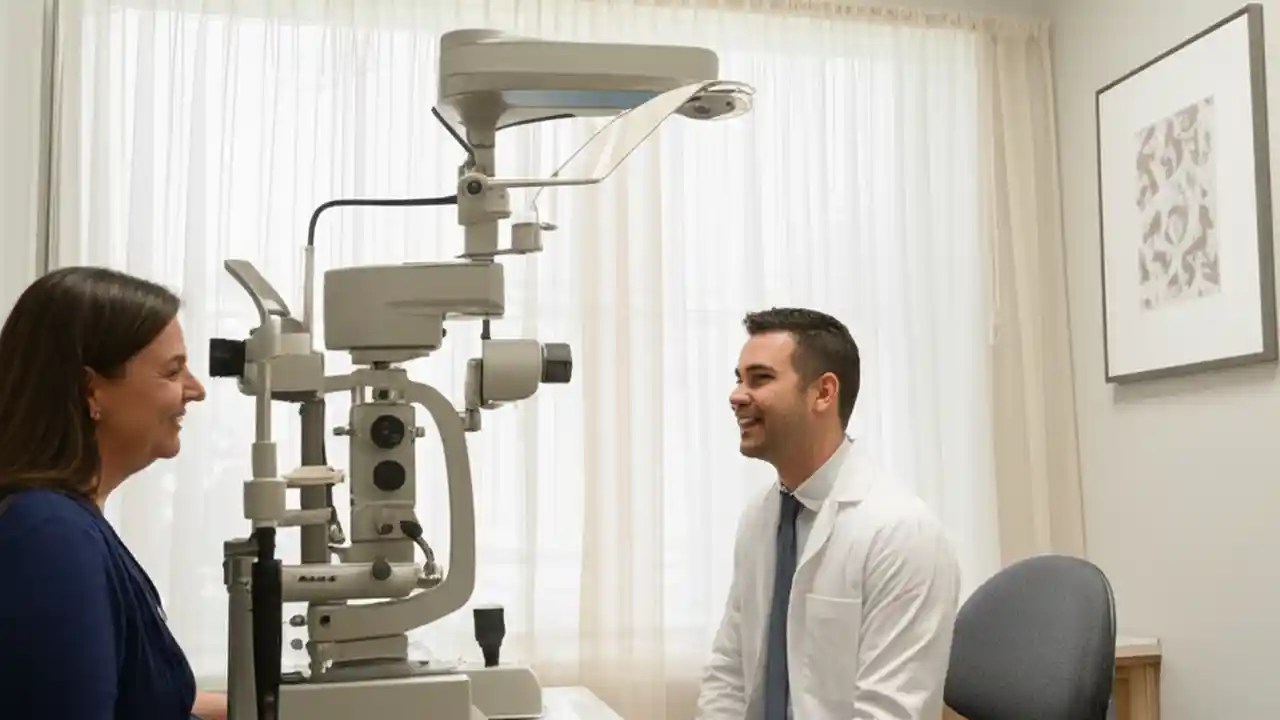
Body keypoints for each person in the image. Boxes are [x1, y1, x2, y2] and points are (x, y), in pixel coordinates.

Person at [696, 307, 961, 720]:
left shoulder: (901, 533)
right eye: (738, 378)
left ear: (823, 393)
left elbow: (888, 713)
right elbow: (729, 677)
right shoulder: (760, 518)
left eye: (760, 378)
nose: (736, 396)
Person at [0, 267, 228, 720]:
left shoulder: (68, 523)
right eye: (173, 370)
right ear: (91, 391)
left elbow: (145, 700)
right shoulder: (50, 536)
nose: (196, 390)